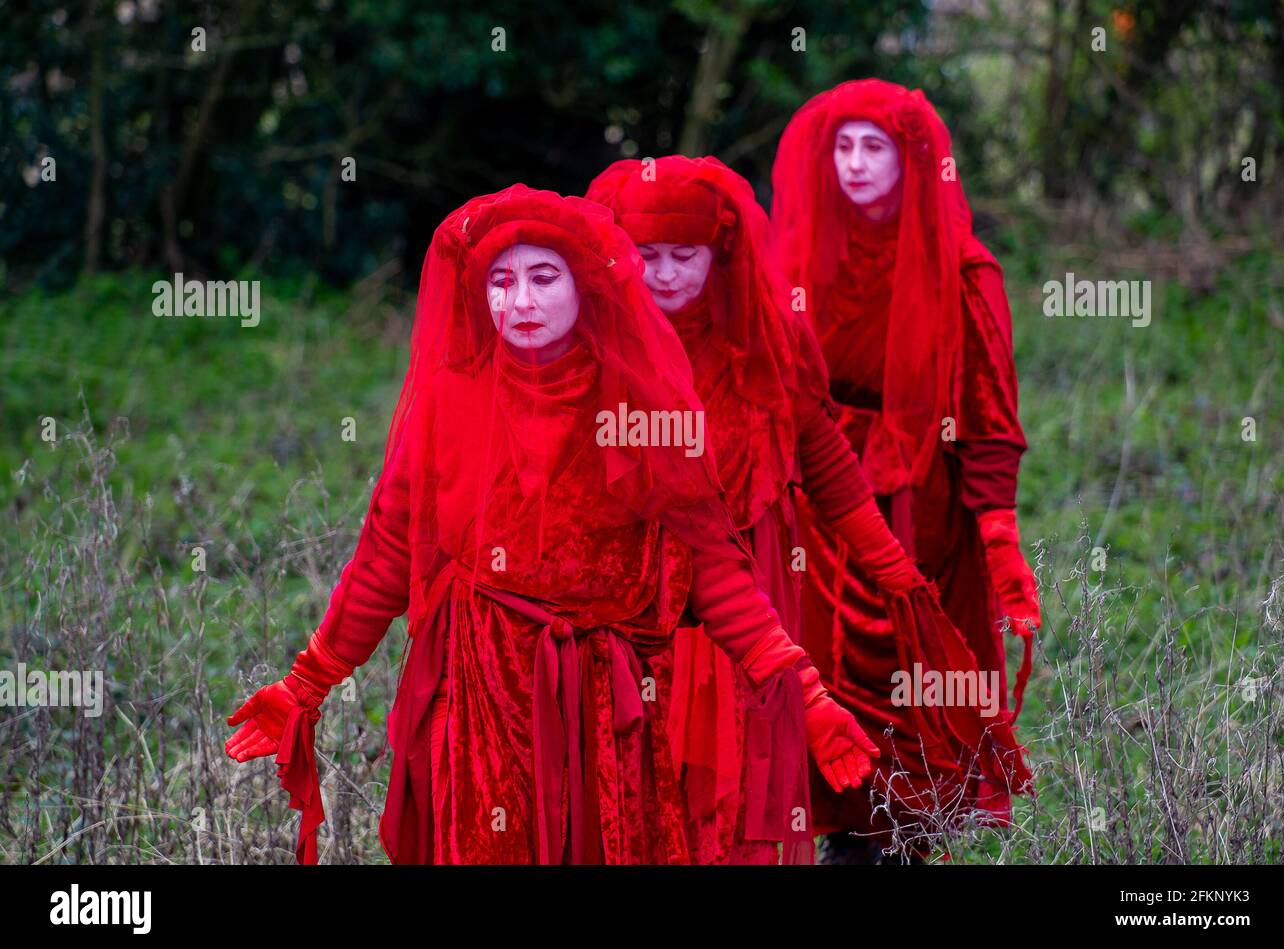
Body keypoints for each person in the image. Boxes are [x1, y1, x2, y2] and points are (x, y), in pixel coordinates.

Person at [224, 184, 877, 864]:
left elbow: (715, 572)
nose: (522, 301)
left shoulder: (641, 408)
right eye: (501, 282)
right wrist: (307, 683)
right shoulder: (451, 401)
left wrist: (804, 691)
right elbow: (385, 558)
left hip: (607, 706)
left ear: (586, 286)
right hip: (481, 692)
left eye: (544, 277)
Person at [588, 155, 984, 864]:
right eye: (647, 256)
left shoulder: (763, 340)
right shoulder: (593, 343)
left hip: (753, 589)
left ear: (721, 253)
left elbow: (826, 460)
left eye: (687, 255)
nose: (668, 274)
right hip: (631, 606)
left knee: (741, 778)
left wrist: (893, 569)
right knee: (632, 777)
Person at [770, 79, 1037, 862]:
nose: (853, 164)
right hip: (816, 494)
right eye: (842, 147)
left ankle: (894, 840)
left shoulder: (963, 269)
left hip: (919, 499)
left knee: (908, 675)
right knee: (812, 665)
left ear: (912, 161)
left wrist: (999, 534)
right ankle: (830, 828)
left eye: (873, 147)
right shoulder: (810, 251)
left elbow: (989, 414)